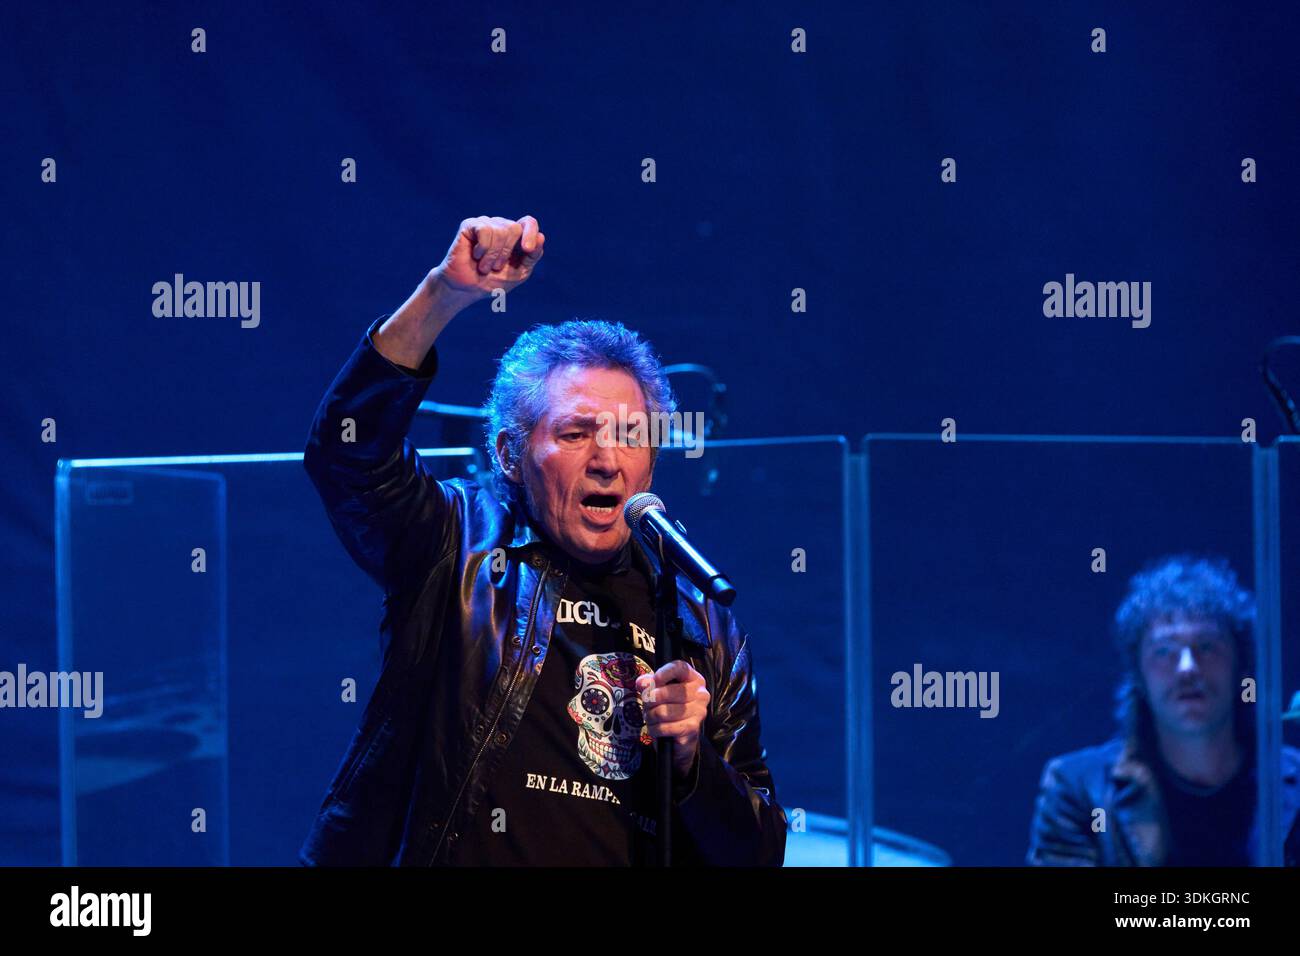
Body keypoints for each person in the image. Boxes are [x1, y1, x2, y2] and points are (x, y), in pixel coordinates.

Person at [298, 214, 787, 866]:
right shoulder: (455, 543)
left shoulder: (700, 619)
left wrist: (694, 759)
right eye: (577, 433)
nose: (609, 460)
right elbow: (347, 454)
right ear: (508, 453)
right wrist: (445, 292)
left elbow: (758, 855)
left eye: (630, 435)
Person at [1027, 555, 1300, 866]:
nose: (1187, 668)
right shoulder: (1078, 790)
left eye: (1207, 646)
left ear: (1240, 664)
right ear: (1139, 675)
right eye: (1164, 651)